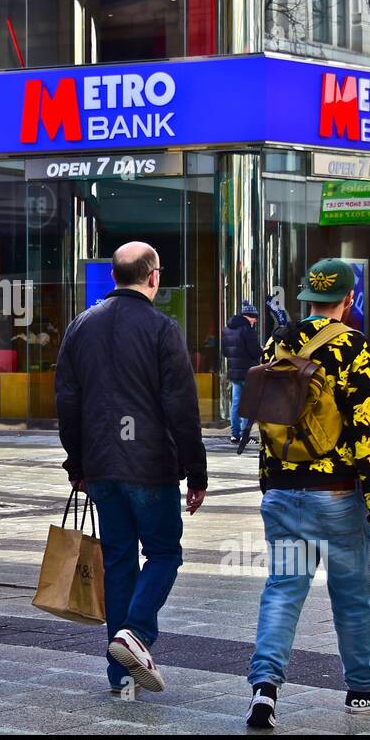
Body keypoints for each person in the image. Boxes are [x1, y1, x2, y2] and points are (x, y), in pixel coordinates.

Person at [245, 258, 370, 729]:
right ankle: (362, 689)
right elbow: (366, 429)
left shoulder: (277, 341)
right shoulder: (356, 347)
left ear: (308, 299)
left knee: (283, 591)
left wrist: (269, 482)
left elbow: (270, 419)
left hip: (285, 492)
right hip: (336, 495)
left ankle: (265, 690)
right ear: (348, 300)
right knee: (351, 595)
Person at [55, 241, 207, 696]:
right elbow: (182, 407)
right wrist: (195, 472)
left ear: (115, 277)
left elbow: (67, 402)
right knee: (163, 553)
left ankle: (121, 674)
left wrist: (76, 464)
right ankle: (135, 634)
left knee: (119, 560)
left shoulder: (81, 326)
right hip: (151, 467)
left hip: (101, 467)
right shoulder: (162, 329)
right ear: (153, 277)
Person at [221, 300, 260, 445]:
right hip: (248, 371)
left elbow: (224, 351)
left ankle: (234, 434)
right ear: (249, 317)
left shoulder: (227, 329)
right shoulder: (247, 330)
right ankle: (245, 434)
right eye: (254, 318)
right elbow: (255, 351)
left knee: (236, 402)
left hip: (234, 371)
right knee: (247, 403)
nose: (255, 321)